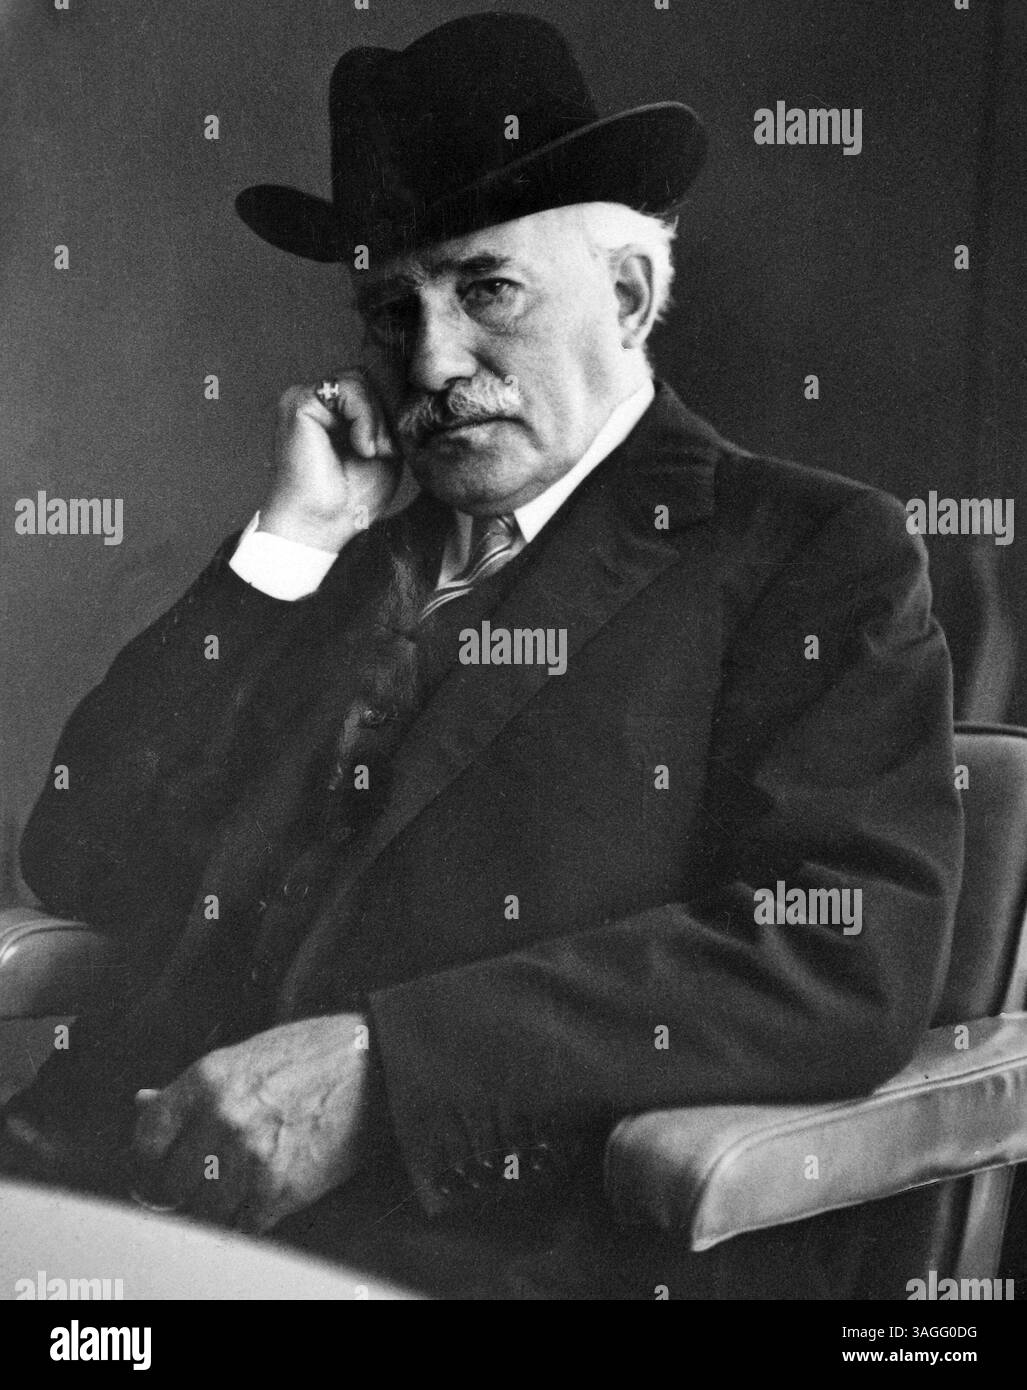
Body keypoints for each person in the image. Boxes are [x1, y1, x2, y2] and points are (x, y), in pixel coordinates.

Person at [2, 13, 963, 1299]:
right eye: (390, 310)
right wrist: (281, 547)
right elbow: (81, 849)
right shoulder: (340, 557)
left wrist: (387, 1068)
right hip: (91, 1191)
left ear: (625, 296)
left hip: (452, 1250)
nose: (432, 363)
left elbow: (841, 949)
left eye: (484, 289)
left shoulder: (806, 551)